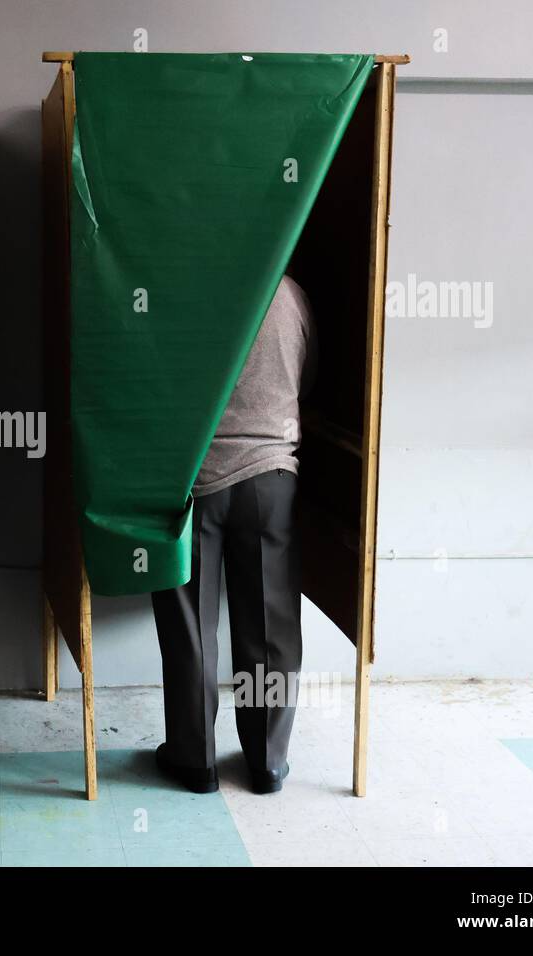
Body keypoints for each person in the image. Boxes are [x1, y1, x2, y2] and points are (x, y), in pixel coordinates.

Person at [151, 274, 316, 795]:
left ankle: (194, 759)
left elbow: (157, 381)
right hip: (271, 477)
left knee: (191, 628)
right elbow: (306, 379)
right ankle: (266, 761)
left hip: (194, 480)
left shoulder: (188, 288)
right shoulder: (291, 294)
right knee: (269, 629)